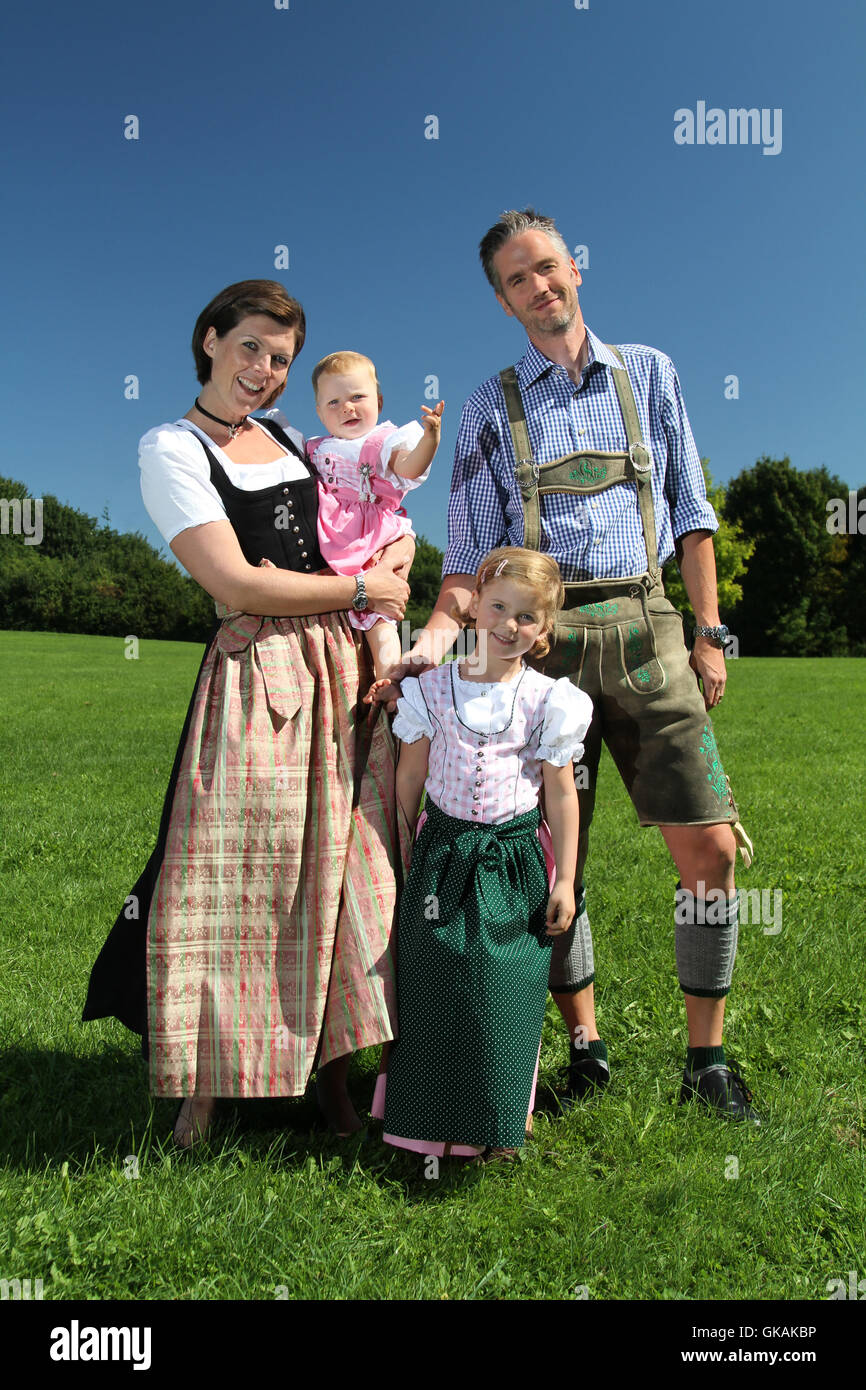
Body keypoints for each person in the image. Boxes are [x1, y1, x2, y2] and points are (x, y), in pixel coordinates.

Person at [401, 210, 759, 1123]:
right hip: (535, 647)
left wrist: (709, 633)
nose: (540, 287)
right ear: (501, 297)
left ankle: (706, 1061)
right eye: (519, 280)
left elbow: (692, 509)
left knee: (712, 850)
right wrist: (441, 641)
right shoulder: (488, 406)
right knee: (548, 856)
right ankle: (584, 1049)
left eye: (549, 268)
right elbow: (472, 561)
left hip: (648, 630)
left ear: (576, 271)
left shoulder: (651, 372)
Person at [82, 280, 413, 1147]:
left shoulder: (286, 438)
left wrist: (396, 553)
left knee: (346, 876)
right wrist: (360, 588)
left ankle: (332, 1081)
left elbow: (367, 511)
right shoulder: (172, 446)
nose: (263, 370)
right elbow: (233, 581)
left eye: (280, 359)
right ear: (209, 340)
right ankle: (204, 1090)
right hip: (258, 669)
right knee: (233, 881)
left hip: (344, 666)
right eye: (250, 349)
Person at [372, 547, 591, 1159]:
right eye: (499, 606)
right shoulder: (432, 691)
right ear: (473, 609)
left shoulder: (551, 700)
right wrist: (407, 838)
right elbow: (409, 776)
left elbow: (560, 792)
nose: (509, 625)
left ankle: (495, 1123)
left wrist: (565, 879)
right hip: (442, 852)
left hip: (513, 860)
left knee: (503, 989)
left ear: (543, 632)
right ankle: (425, 1126)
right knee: (436, 984)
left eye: (527, 617)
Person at [272, 351, 443, 686]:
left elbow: (408, 467)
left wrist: (430, 440)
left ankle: (391, 680)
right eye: (333, 403)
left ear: (378, 401)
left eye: (357, 397)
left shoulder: (381, 442)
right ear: (319, 413)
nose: (347, 408)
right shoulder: (317, 447)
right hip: (331, 534)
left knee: (380, 619)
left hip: (369, 537)